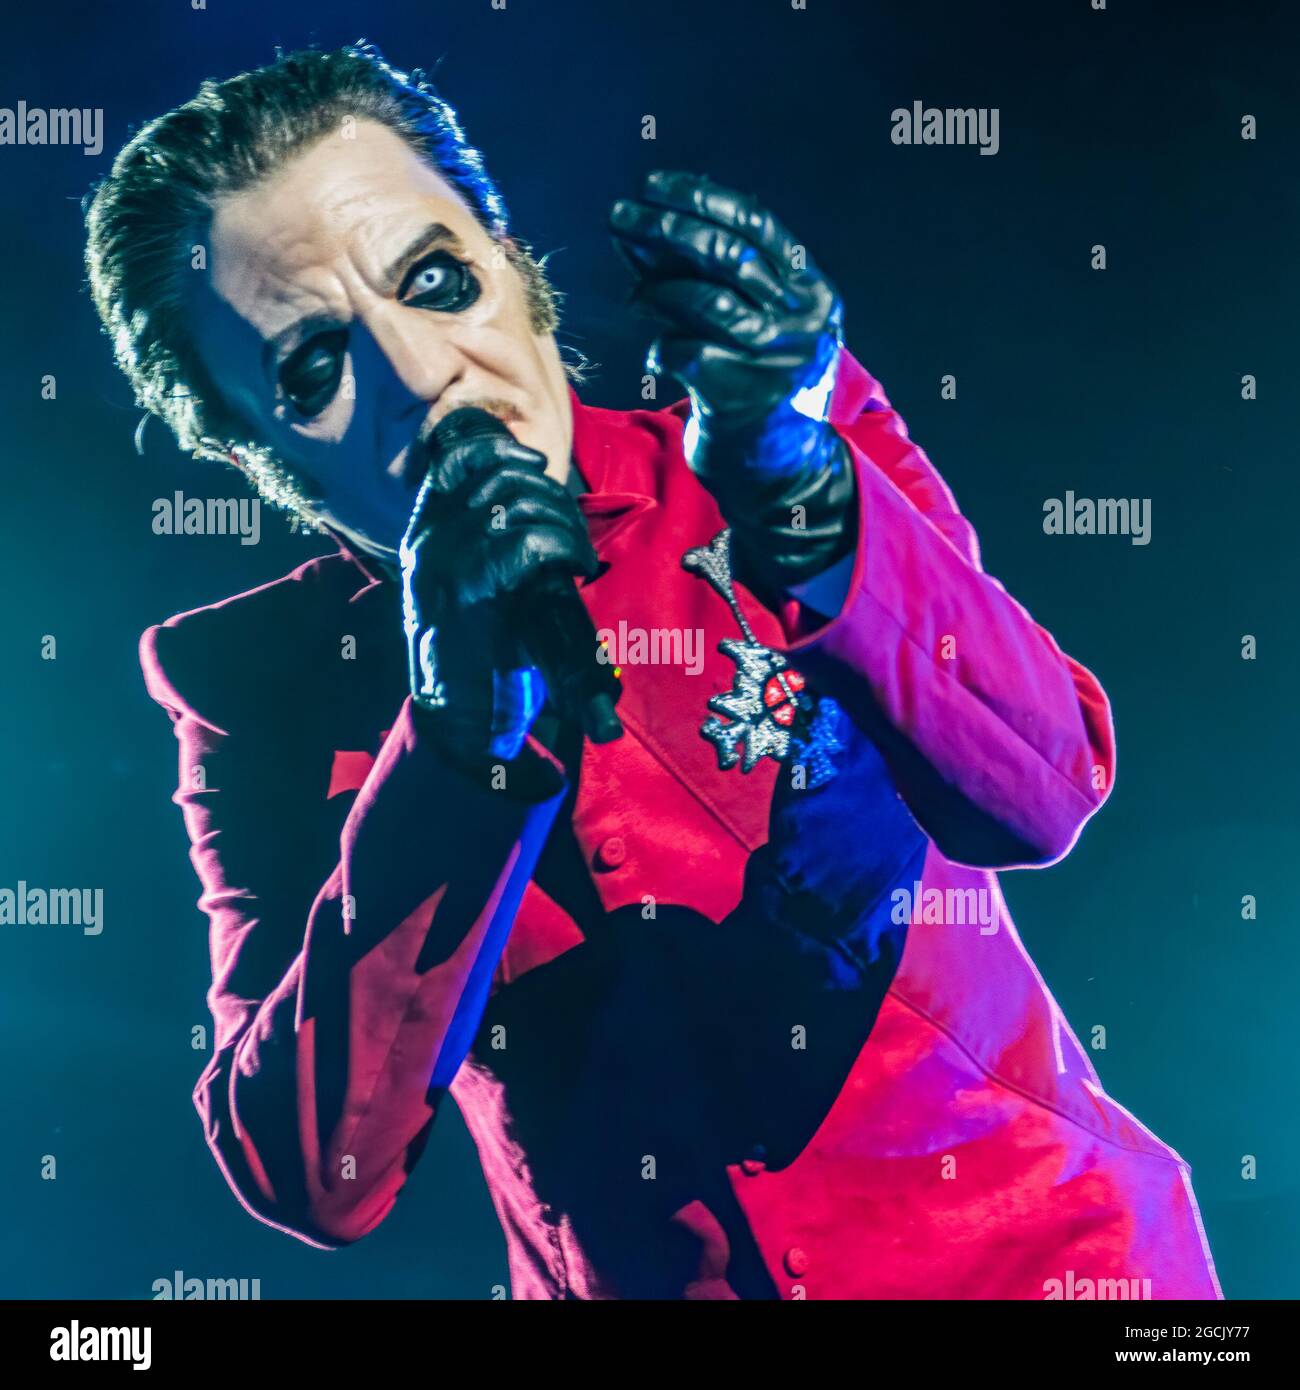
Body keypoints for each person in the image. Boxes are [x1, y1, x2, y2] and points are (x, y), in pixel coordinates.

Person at [85, 42, 1220, 1299]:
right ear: (257, 465)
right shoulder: (254, 683)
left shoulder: (761, 446)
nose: (420, 375)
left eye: (439, 280)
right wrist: (454, 739)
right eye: (311, 369)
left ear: (521, 275)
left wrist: (802, 489)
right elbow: (317, 1174)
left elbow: (1046, 782)